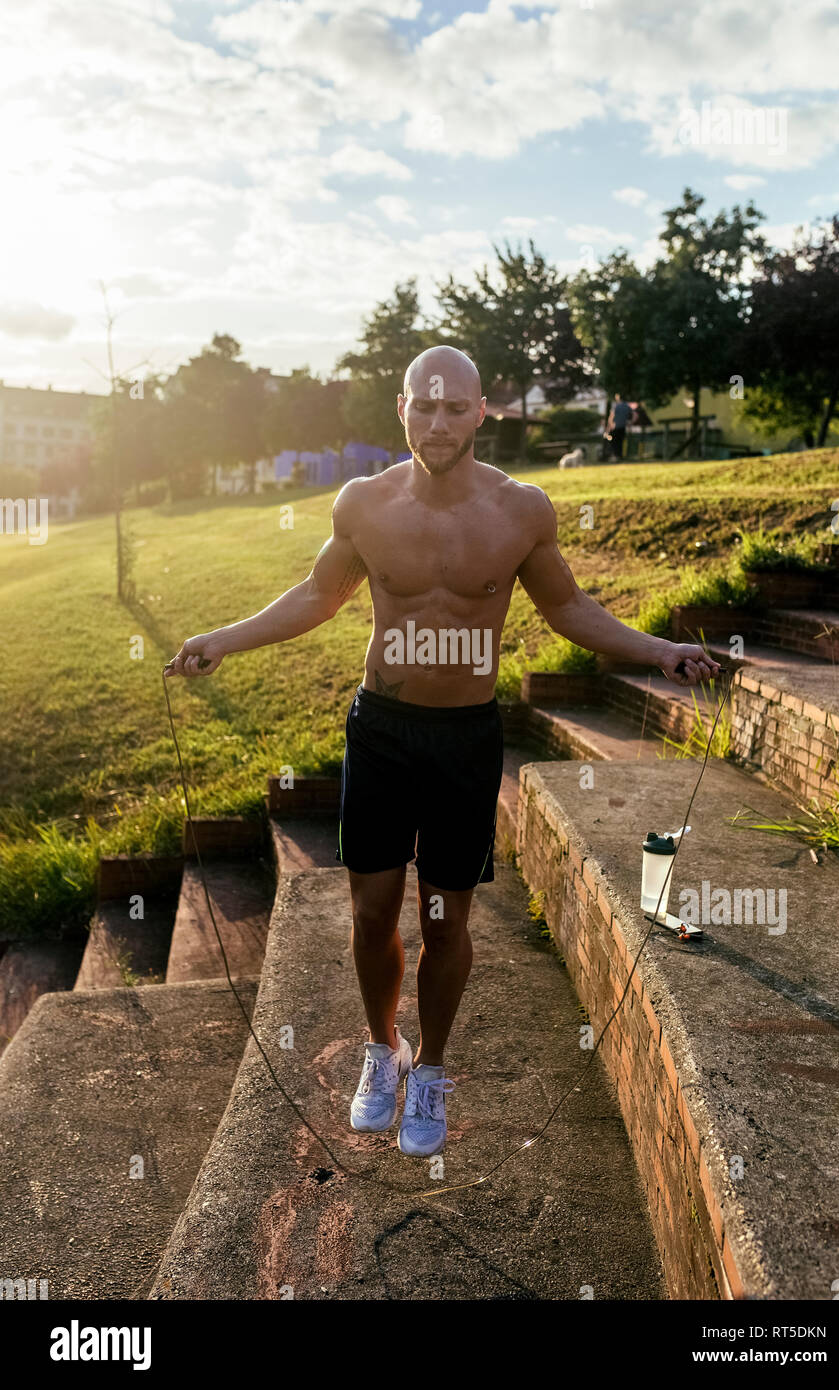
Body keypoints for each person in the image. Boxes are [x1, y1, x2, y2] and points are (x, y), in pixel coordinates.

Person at [165, 345, 719, 1158]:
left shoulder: (521, 510)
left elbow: (567, 607)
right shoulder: (362, 504)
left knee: (445, 918)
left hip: (463, 740)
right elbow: (320, 595)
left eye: (454, 408)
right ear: (402, 410)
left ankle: (430, 1068)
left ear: (479, 412)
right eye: (423, 408)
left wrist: (655, 649)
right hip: (381, 731)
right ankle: (380, 1048)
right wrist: (224, 638)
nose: (438, 423)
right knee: (369, 912)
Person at [606, 393, 632, 460]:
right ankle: (620, 456)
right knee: (620, 442)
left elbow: (611, 417)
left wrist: (609, 427)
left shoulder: (616, 406)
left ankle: (615, 456)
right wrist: (629, 424)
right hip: (623, 427)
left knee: (613, 442)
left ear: (618, 398)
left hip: (615, 427)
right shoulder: (627, 406)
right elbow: (632, 416)